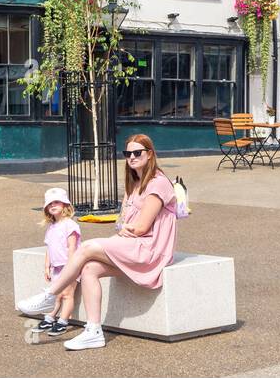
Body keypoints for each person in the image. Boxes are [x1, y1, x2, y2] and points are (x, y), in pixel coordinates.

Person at [16, 134, 179, 351]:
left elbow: (141, 227)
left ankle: (50, 295)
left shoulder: (158, 183)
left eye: (137, 152)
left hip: (150, 250)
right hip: (132, 245)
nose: (131, 157)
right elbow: (121, 224)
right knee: (89, 269)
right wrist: (125, 228)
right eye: (128, 153)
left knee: (86, 247)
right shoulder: (134, 184)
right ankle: (93, 331)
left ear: (149, 154)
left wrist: (127, 228)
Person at [37, 187, 81, 338]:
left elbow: (72, 247)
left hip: (70, 266)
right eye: (50, 204)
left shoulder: (70, 225)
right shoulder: (51, 227)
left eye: (56, 202)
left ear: (65, 205)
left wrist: (71, 267)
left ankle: (62, 321)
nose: (53, 205)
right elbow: (49, 248)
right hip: (56, 267)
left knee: (67, 294)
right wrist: (47, 266)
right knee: (56, 294)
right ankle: (50, 317)